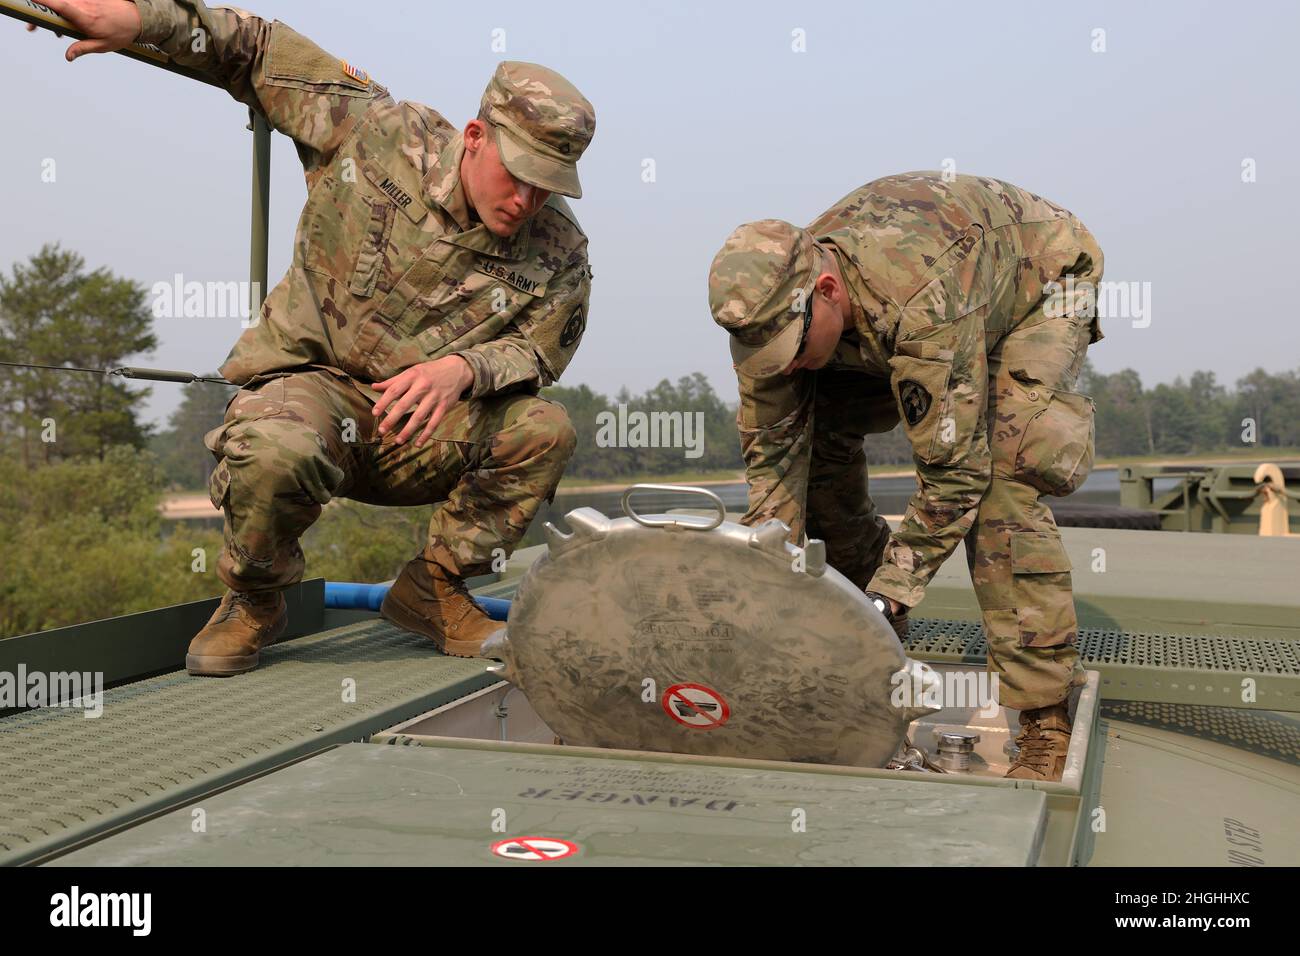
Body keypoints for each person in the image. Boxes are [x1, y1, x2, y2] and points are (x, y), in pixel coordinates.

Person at [34, 0, 596, 674]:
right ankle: (255, 600)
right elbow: (257, 49)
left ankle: (433, 588)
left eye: (548, 186)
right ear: (475, 135)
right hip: (311, 396)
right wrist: (140, 21)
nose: (528, 202)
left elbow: (538, 349)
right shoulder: (381, 132)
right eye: (518, 175)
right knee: (273, 448)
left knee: (544, 429)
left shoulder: (560, 249)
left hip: (419, 432)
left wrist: (464, 370)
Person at [708, 171, 1104, 781]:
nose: (781, 364)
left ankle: (1044, 716)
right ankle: (864, 658)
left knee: (1001, 475)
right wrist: (770, 597)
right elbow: (774, 475)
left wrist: (890, 589)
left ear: (828, 290)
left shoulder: (924, 305)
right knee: (817, 457)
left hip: (1041, 282)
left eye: (790, 344)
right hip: (904, 307)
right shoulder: (770, 309)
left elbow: (956, 478)